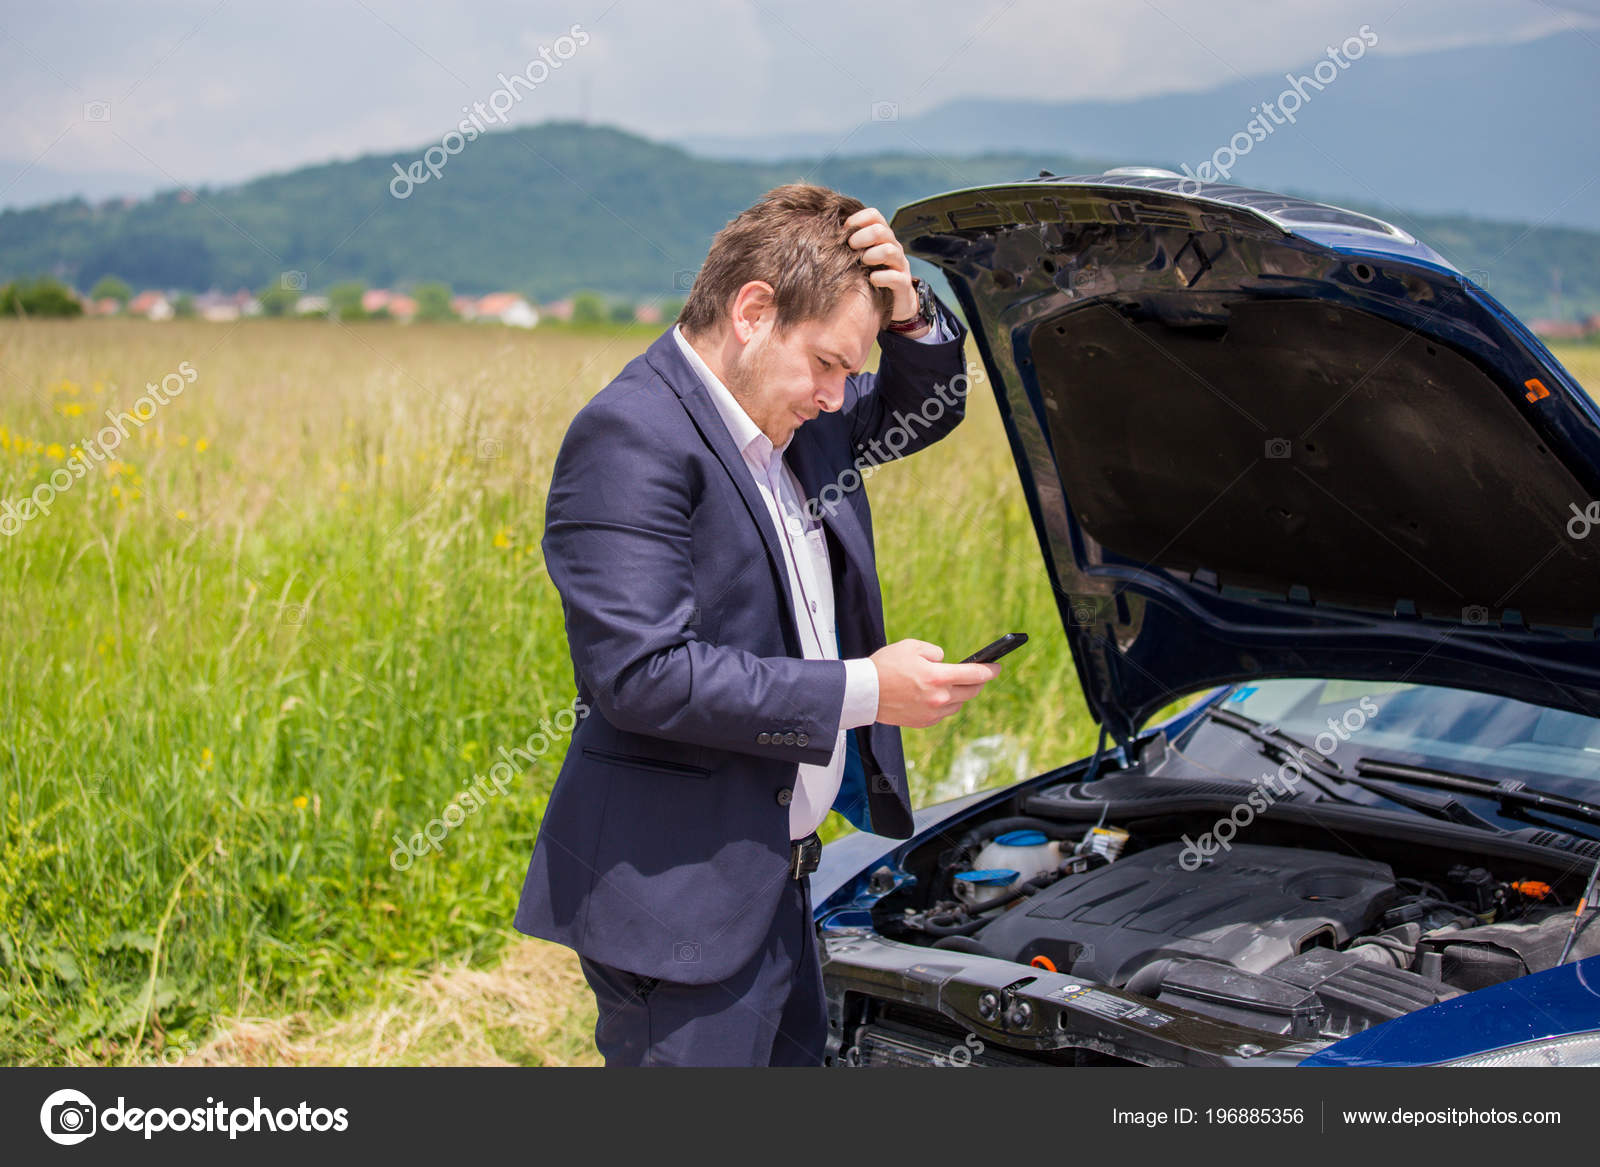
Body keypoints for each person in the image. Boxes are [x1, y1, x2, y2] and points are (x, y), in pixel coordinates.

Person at [513, 182, 1001, 1065]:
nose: (836, 394)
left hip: (776, 883)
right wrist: (867, 690)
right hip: (679, 904)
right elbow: (642, 673)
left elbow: (927, 406)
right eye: (825, 364)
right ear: (752, 311)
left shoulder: (797, 418)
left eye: (849, 373)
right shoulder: (631, 436)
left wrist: (910, 312)